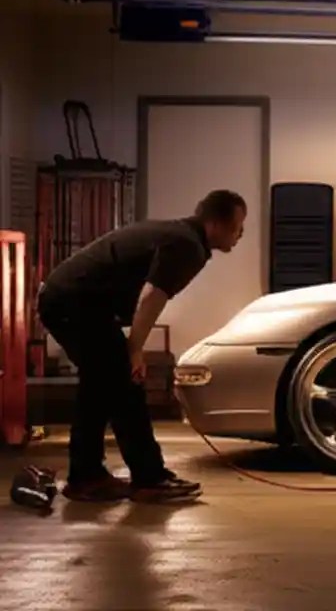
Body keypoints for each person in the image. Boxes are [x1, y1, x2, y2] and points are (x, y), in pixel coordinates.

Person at [37, 189, 247, 503]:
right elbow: (151, 298)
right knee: (122, 384)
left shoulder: (180, 235)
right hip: (74, 303)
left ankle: (89, 476)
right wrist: (135, 350)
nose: (240, 234)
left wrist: (132, 349)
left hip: (69, 300)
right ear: (215, 223)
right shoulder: (188, 245)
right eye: (237, 227)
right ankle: (146, 478)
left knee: (102, 386)